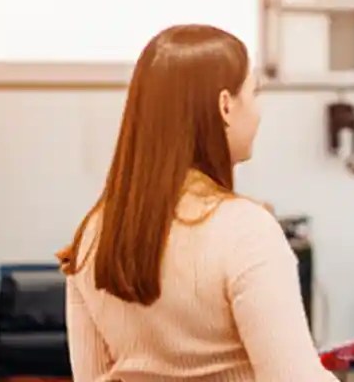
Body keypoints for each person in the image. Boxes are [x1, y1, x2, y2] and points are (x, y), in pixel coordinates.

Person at [57, 24, 337, 381]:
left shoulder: (93, 234)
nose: (260, 111)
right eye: (254, 92)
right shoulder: (247, 230)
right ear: (225, 105)